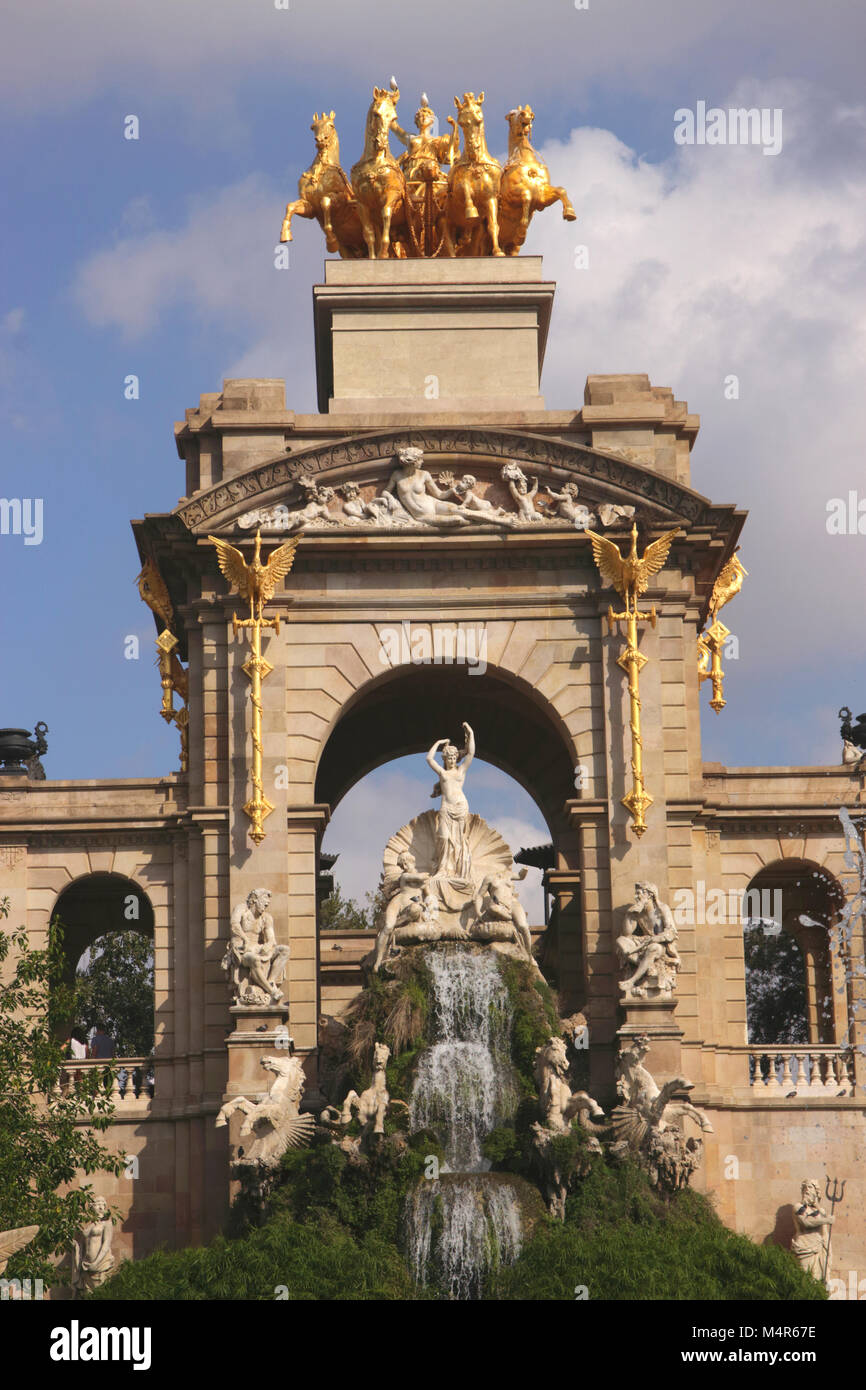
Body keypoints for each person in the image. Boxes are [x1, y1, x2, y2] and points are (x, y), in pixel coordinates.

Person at [426, 722, 475, 880]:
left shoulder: (461, 770)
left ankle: (457, 871)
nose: (452, 760)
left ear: (457, 758)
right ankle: (443, 869)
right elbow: (429, 758)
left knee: (459, 841)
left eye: (454, 757)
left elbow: (471, 753)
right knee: (444, 838)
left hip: (460, 807)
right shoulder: (442, 773)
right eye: (449, 758)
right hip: (446, 808)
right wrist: (439, 743)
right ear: (445, 759)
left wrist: (470, 733)